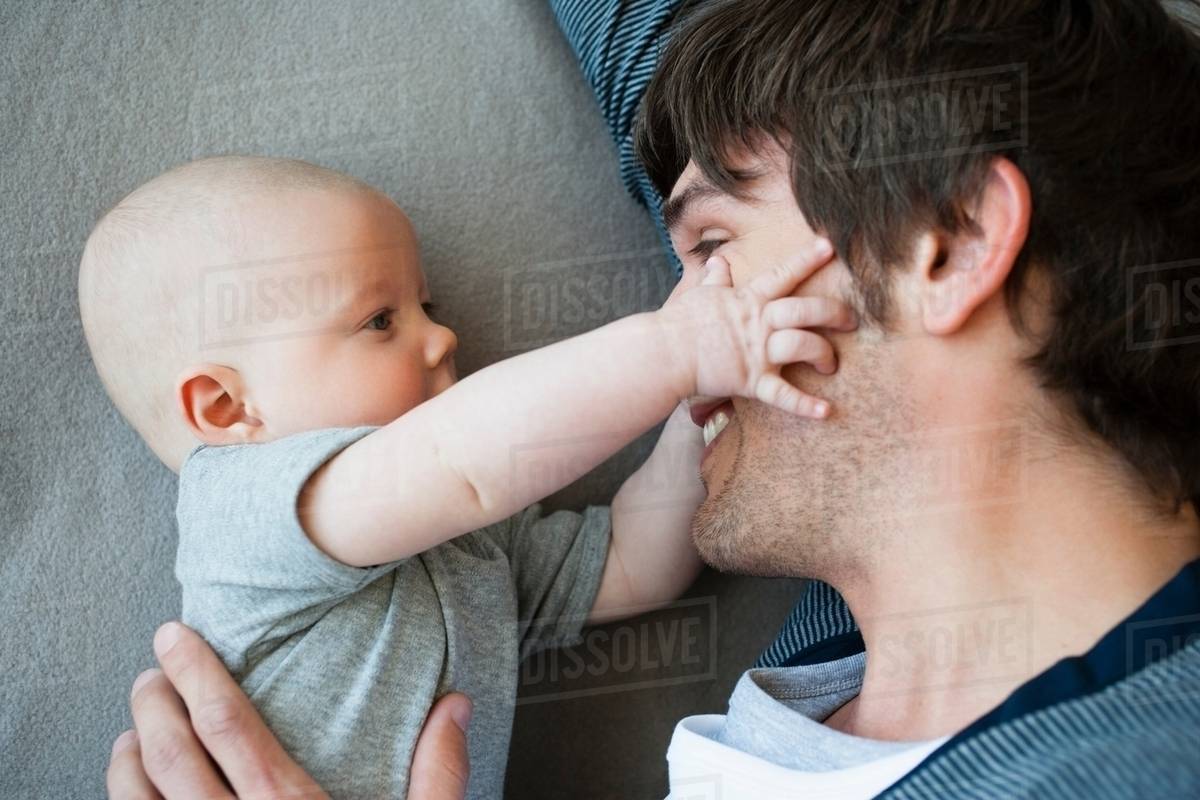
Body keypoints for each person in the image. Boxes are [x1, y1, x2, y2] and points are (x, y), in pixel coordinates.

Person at [106, 0, 1200, 797]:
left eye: (713, 248)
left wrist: (677, 376)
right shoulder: (259, 504)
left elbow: (607, 539)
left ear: (946, 243)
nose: (683, 311)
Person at [81, 155, 850, 799]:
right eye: (380, 320)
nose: (443, 336)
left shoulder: (471, 547)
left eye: (426, 305)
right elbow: (459, 459)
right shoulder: (247, 508)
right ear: (227, 408)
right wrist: (674, 349)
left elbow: (631, 563)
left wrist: (695, 410)